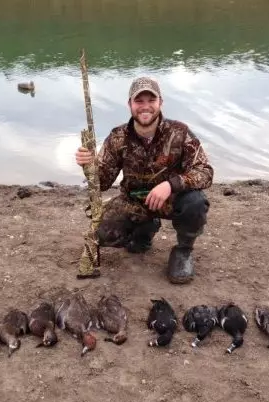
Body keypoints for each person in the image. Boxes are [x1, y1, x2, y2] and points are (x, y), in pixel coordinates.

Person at [75, 76, 213, 284]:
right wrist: (89, 167)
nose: (145, 107)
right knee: (102, 233)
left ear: (160, 103)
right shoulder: (117, 137)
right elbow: (102, 183)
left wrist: (170, 185)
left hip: (172, 200)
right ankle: (145, 230)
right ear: (130, 104)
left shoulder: (180, 133)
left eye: (151, 100)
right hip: (135, 202)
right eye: (139, 101)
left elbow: (205, 172)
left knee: (195, 203)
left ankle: (183, 251)